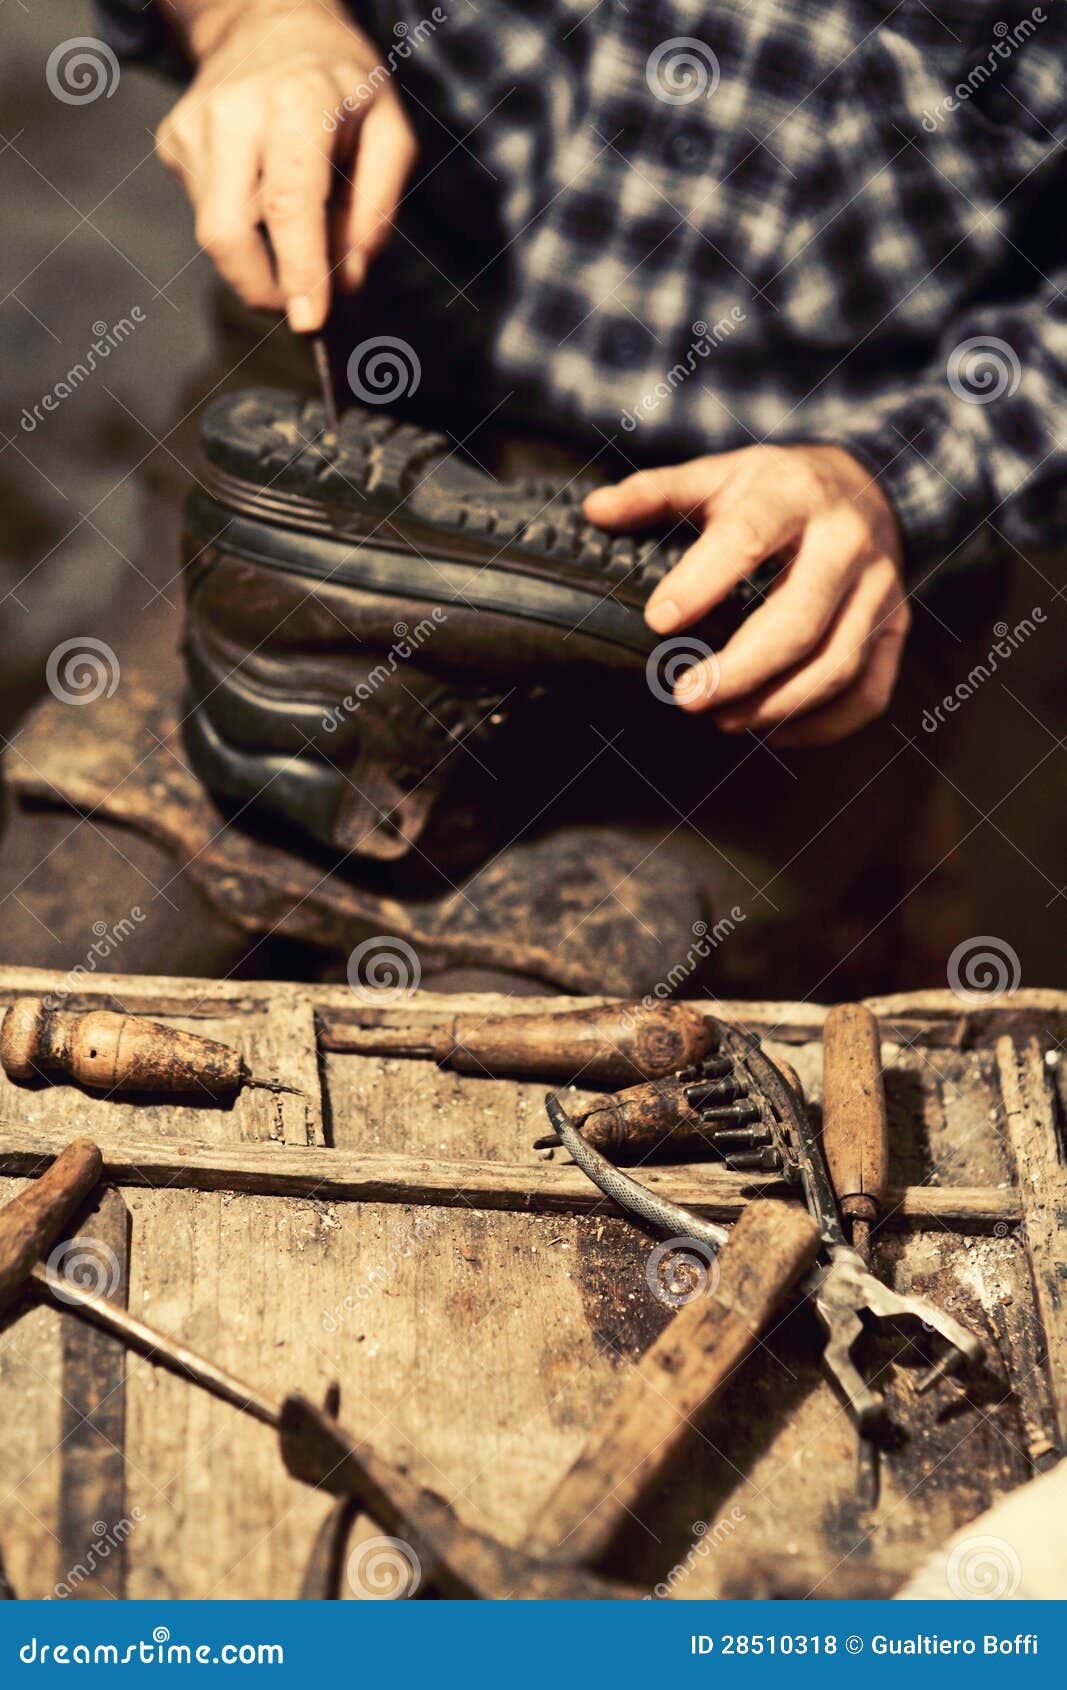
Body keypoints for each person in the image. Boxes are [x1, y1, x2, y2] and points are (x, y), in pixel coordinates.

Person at [6, 0, 1060, 998]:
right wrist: (256, 21)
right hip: (341, 437)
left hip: (788, 536)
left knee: (508, 1065)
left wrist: (909, 474)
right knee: (63, 954)